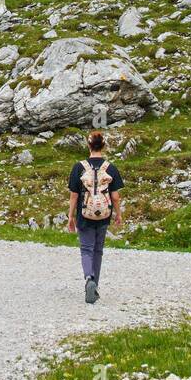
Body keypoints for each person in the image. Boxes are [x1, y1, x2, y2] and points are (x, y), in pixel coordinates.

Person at [66, 130, 123, 304]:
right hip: (104, 215)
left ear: (88, 146)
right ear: (103, 146)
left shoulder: (79, 167)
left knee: (86, 249)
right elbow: (115, 197)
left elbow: (74, 195)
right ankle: (95, 285)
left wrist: (70, 217)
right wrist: (118, 214)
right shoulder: (110, 168)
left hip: (85, 214)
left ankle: (89, 279)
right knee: (98, 250)